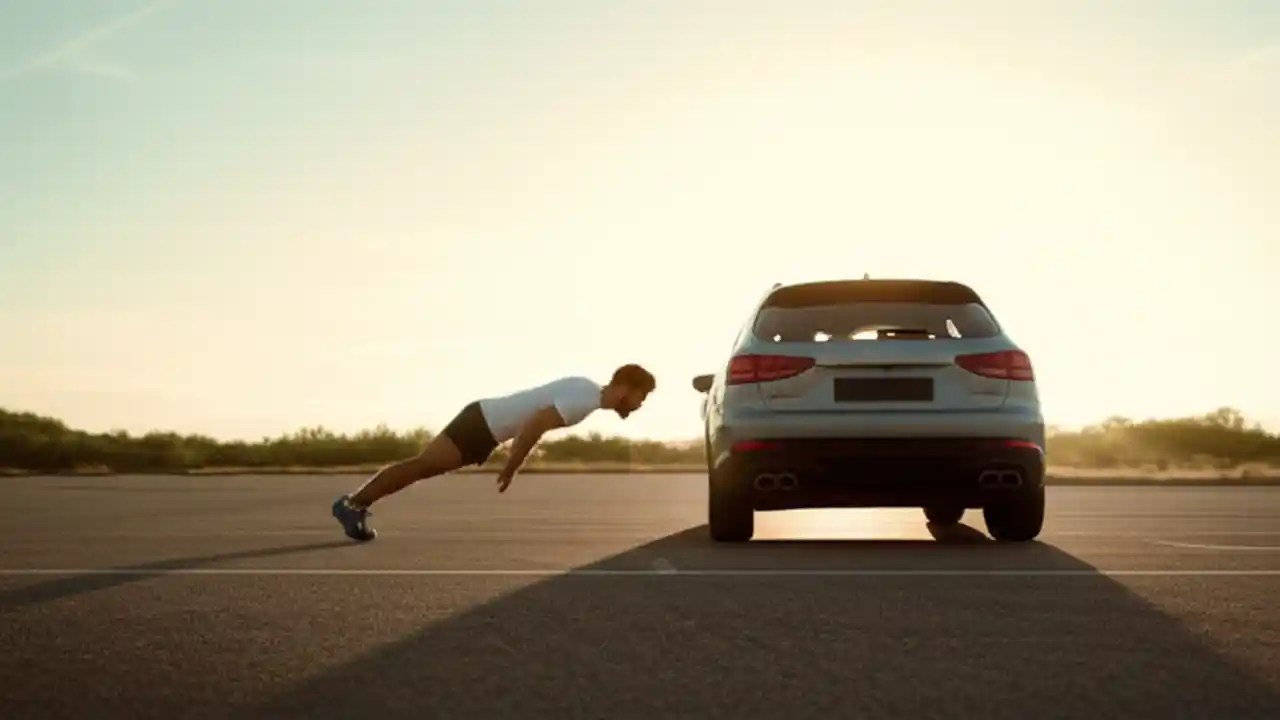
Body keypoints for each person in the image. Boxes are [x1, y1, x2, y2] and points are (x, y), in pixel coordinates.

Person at [331, 363, 656, 541]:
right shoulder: (584, 400)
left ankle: (355, 504)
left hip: (485, 426)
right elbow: (533, 426)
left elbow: (532, 417)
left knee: (423, 467)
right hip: (482, 424)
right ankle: (352, 504)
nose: (641, 404)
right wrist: (512, 466)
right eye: (642, 396)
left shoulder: (586, 389)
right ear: (626, 388)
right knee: (422, 466)